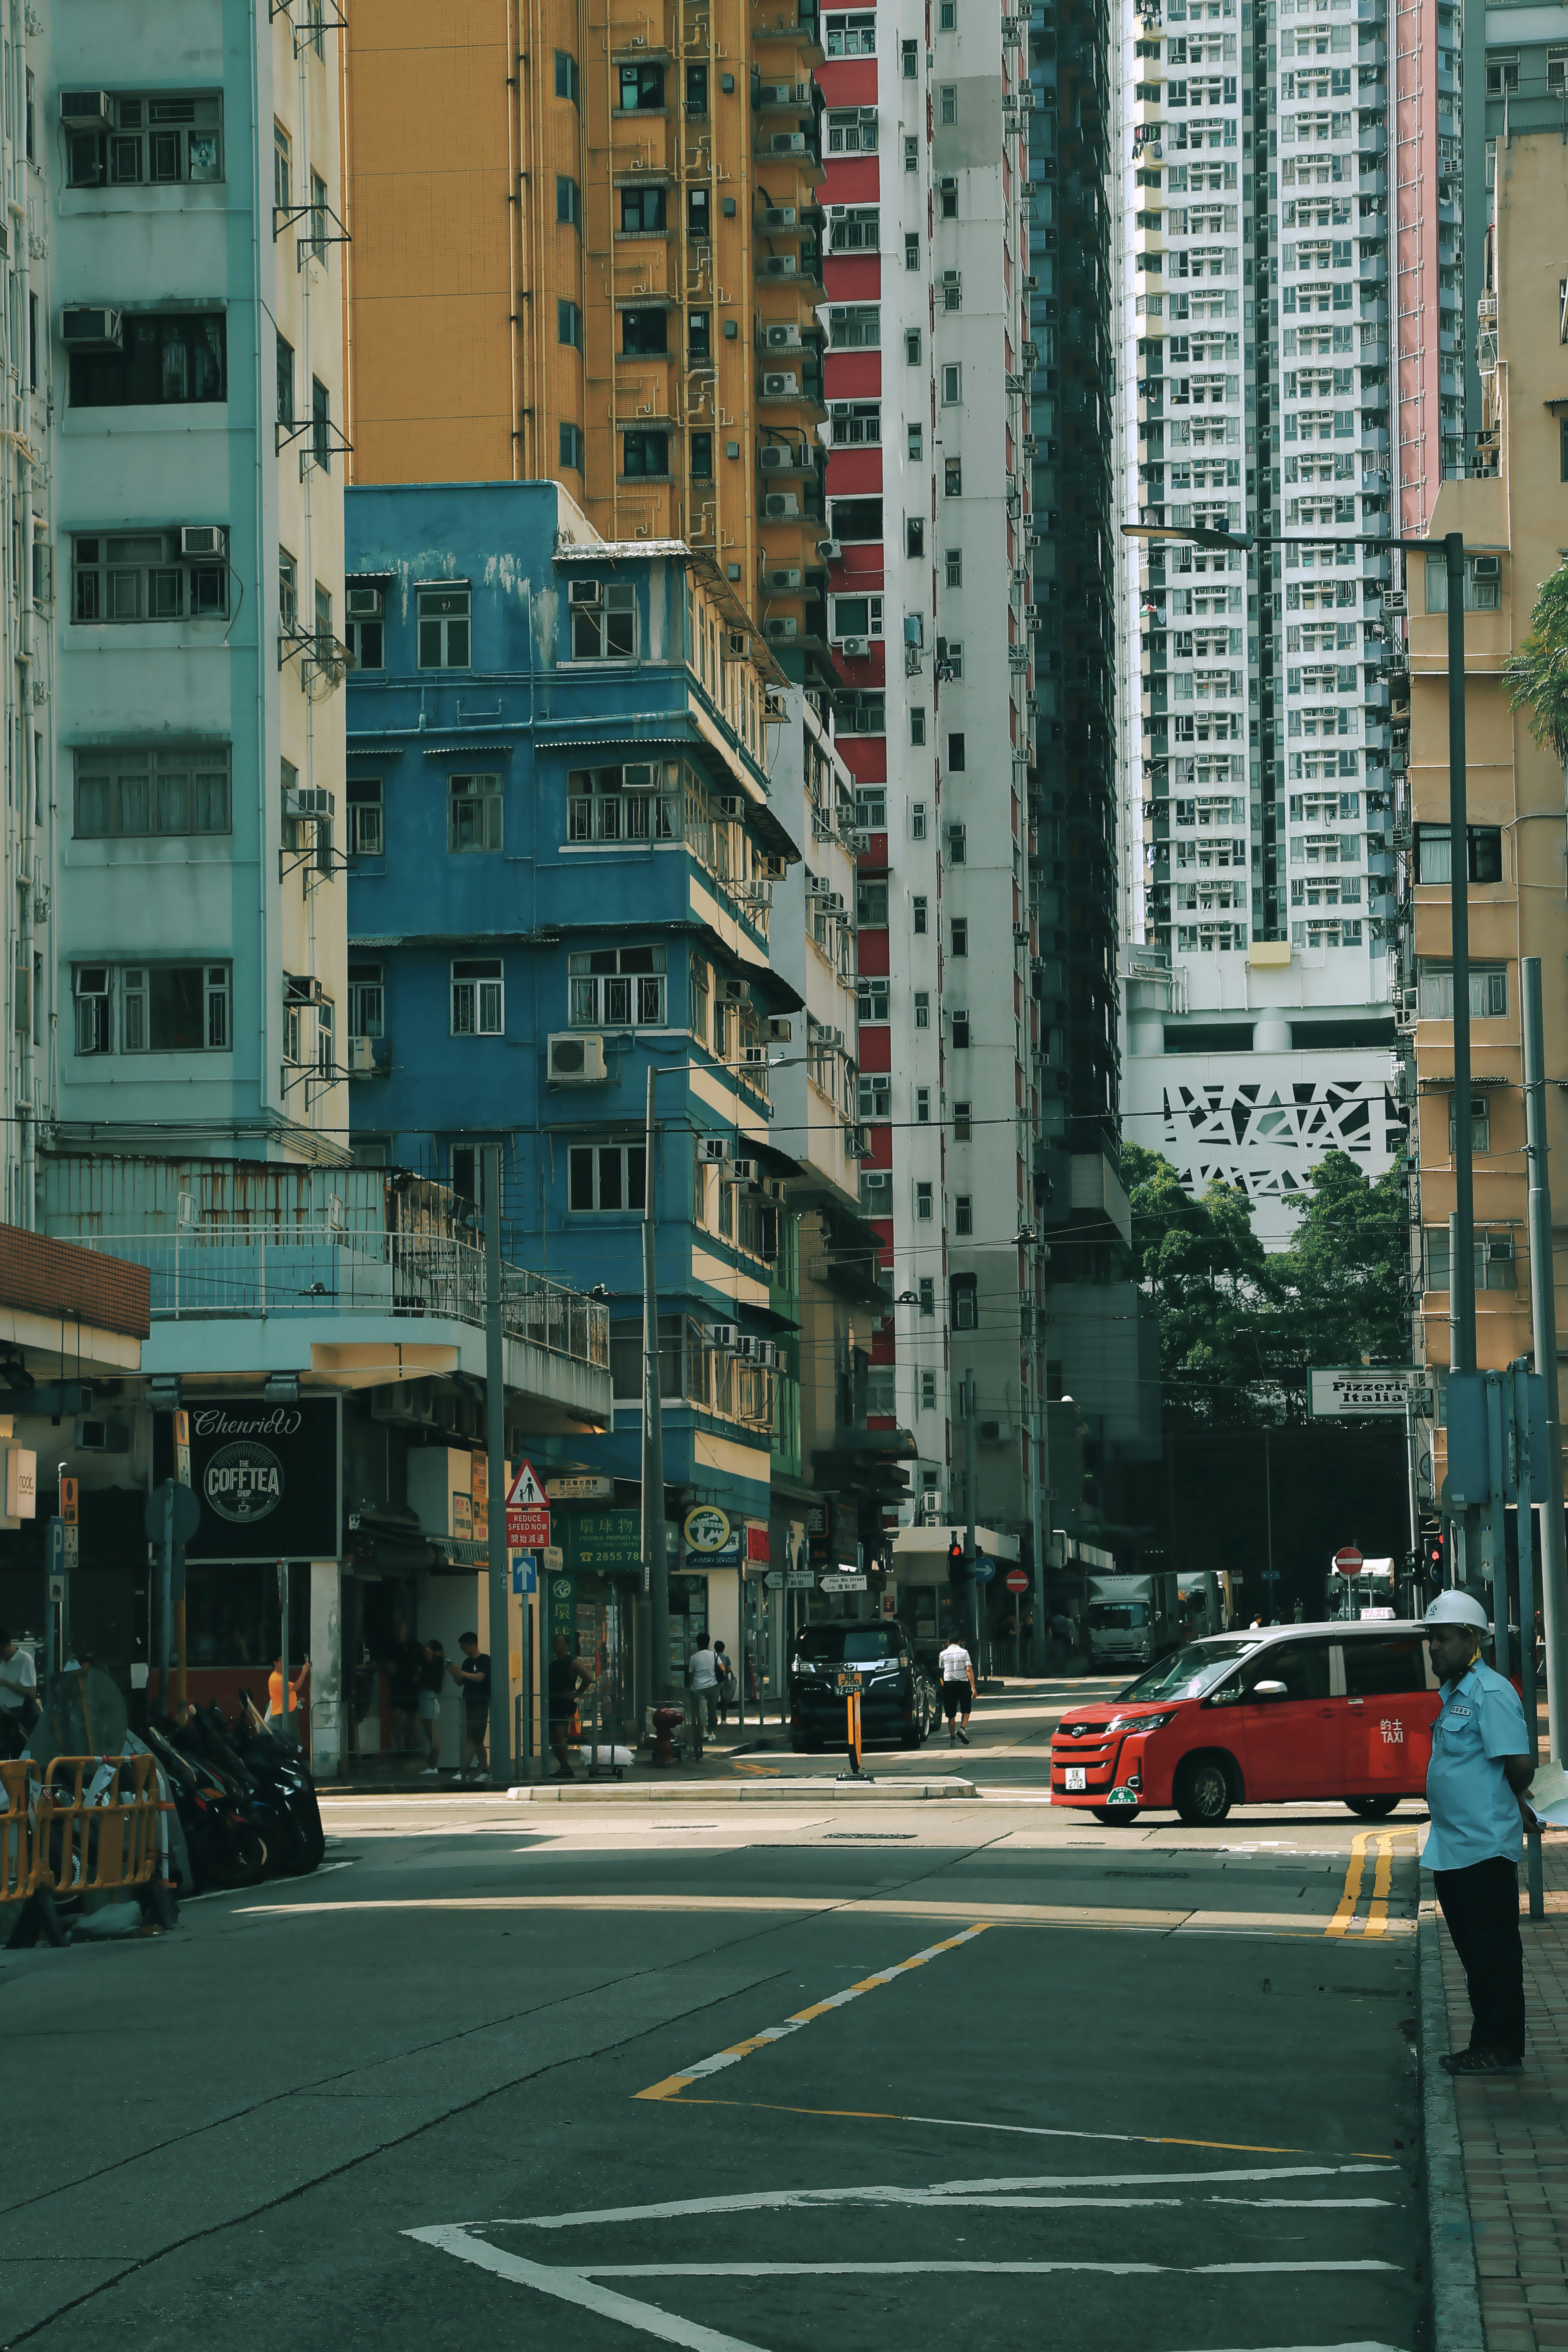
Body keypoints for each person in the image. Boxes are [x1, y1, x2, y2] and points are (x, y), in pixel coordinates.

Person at [1422, 1590, 1536, 2075]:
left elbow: (1521, 1764)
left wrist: (1517, 1801)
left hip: (1483, 1850)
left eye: (1443, 1639)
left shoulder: (1490, 1693)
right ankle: (1487, 2043)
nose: (1434, 1649)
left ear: (1472, 1639)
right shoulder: (1455, 1693)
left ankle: (1499, 2048)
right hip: (1453, 1848)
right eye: (1431, 1640)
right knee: (1477, 1956)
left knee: (1493, 1956)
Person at [548, 1634, 595, 1781]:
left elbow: (588, 1678)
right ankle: (564, 1766)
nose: (557, 1646)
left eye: (560, 1643)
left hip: (564, 1703)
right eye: (555, 1643)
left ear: (567, 1645)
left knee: (558, 1733)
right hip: (553, 1701)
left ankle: (565, 1767)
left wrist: (576, 1694)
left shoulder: (573, 1662)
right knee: (552, 1735)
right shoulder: (554, 1663)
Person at [447, 1633, 491, 1781]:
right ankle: (485, 1771)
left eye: (464, 1647)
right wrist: (455, 1674)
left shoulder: (485, 1659)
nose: (463, 1649)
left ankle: (464, 1772)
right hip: (468, 1703)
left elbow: (480, 1677)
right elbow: (461, 1682)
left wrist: (461, 1672)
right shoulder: (467, 1662)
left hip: (480, 1703)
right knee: (477, 1739)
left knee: (471, 1738)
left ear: (472, 1644)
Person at [385, 1619, 423, 1755]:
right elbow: (382, 1657)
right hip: (397, 1685)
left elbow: (425, 1657)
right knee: (396, 1715)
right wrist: (387, 1664)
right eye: (398, 1628)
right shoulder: (391, 1646)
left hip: (412, 1685)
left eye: (402, 1628)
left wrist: (422, 1676)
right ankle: (400, 1746)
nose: (400, 1631)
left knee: (414, 1716)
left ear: (405, 1629)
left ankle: (410, 1746)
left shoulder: (413, 1644)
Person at [938, 1632, 976, 1746]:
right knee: (966, 1709)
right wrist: (973, 1687)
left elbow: (941, 1669)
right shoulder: (964, 1653)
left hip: (949, 1685)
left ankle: (953, 1740)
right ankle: (962, 1729)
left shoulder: (943, 1654)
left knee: (951, 1714)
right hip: (963, 1684)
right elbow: (969, 1670)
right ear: (960, 1642)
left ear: (949, 1642)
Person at [686, 1635, 720, 1753]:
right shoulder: (714, 1655)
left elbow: (691, 1674)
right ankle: (712, 1732)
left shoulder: (694, 1658)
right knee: (712, 1709)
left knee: (702, 1710)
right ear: (708, 1643)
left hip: (699, 1687)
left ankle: (704, 1731)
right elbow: (722, 1668)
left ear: (697, 1644)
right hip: (713, 1686)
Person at [416, 1638, 446, 1775]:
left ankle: (433, 1766)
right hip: (429, 1699)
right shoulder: (435, 1668)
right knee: (432, 1736)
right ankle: (432, 1766)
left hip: (428, 1699)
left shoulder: (431, 1668)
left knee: (433, 1736)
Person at [267, 1655, 310, 1745]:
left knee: (291, 1742)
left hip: (289, 1713)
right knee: (288, 1743)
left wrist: (296, 1699)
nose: (285, 1663)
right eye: (282, 1660)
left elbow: (284, 1694)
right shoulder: (276, 1679)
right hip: (282, 1715)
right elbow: (295, 1687)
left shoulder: (280, 1677)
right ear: (275, 1663)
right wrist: (305, 1671)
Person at [0, 1629, 38, 1727]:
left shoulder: (24, 1659)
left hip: (17, 1712)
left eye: (1, 1651)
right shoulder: (2, 1662)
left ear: (9, 1645)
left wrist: (7, 1684)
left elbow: (31, 1693)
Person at [713, 1639, 736, 1725]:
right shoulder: (726, 1658)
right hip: (724, 1682)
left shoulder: (713, 1657)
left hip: (714, 1682)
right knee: (724, 1702)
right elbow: (729, 1670)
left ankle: (713, 1719)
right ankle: (723, 1720)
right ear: (723, 1649)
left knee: (714, 1702)